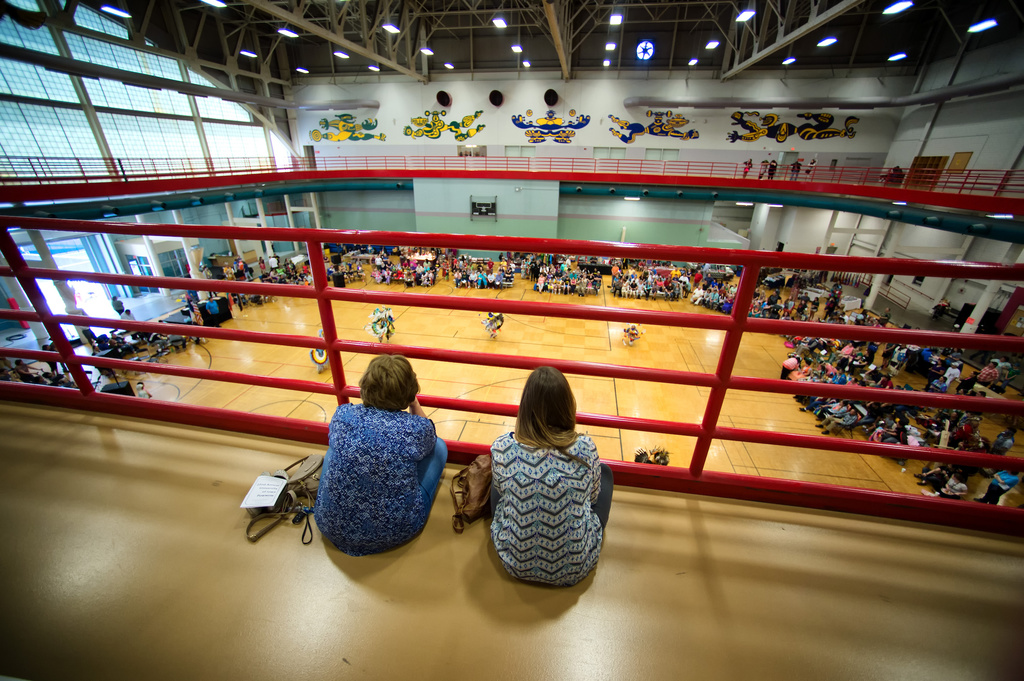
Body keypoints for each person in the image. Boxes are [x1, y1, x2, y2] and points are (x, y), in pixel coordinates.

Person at [490, 366, 612, 586]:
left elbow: (500, 491)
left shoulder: (502, 447)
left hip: (514, 563)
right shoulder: (586, 448)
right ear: (567, 406)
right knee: (606, 474)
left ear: (525, 407)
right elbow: (593, 499)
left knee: (499, 483)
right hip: (577, 567)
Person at [314, 354, 448, 556]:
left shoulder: (342, 415)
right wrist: (413, 404)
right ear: (409, 391)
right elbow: (429, 438)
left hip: (331, 524)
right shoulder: (414, 429)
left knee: (335, 447)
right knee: (438, 447)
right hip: (395, 531)